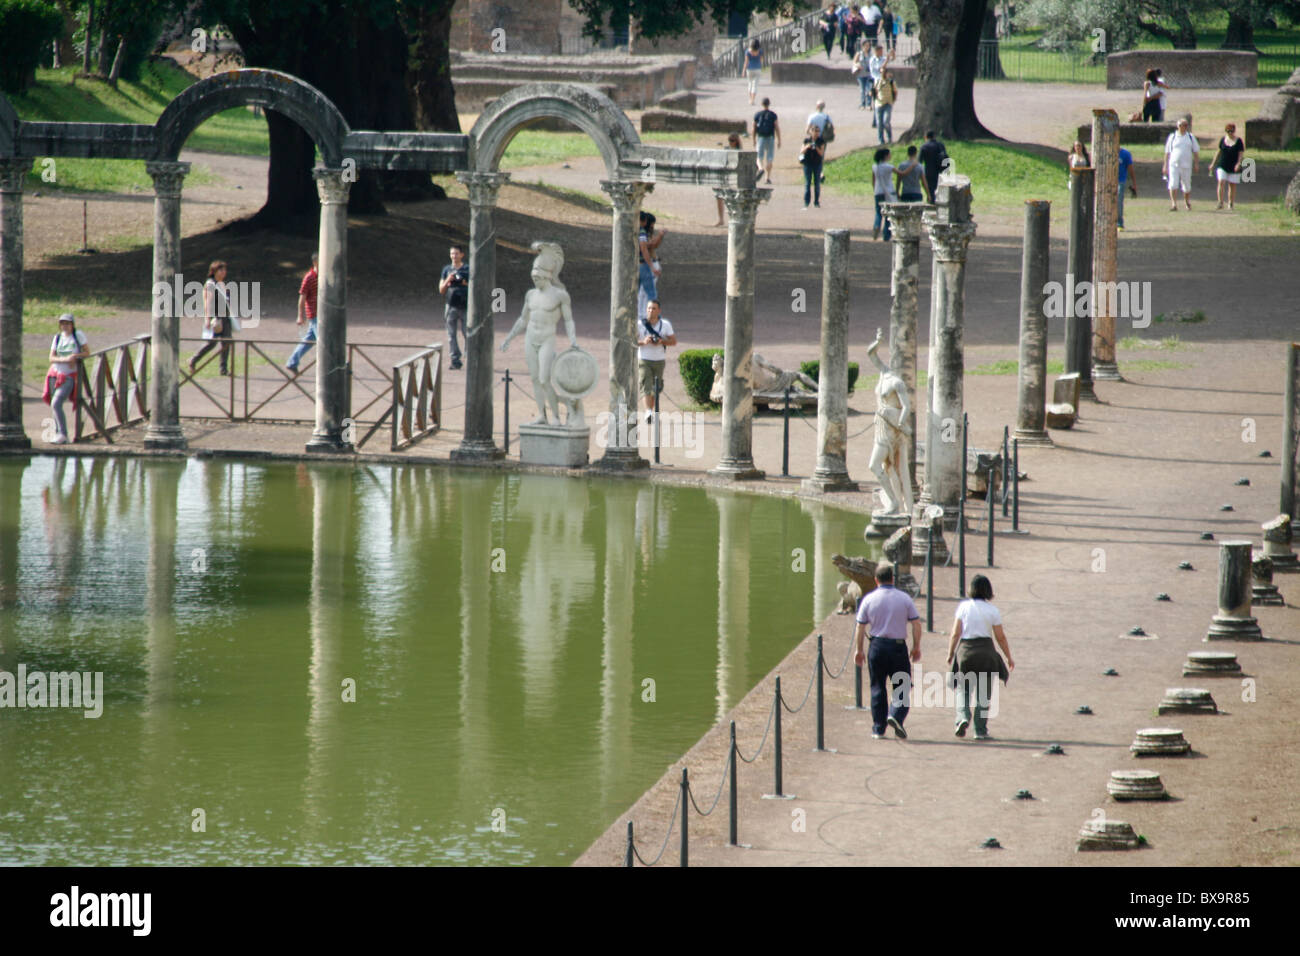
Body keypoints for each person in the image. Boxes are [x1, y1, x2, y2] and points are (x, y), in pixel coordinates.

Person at [499, 241, 576, 425]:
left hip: (547, 338)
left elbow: (568, 320)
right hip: (530, 337)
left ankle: (556, 416)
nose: (535, 281)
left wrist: (573, 340)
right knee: (534, 379)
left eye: (538, 278)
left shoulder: (560, 295)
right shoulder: (531, 295)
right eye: (534, 278)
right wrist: (509, 337)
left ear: (547, 276)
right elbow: (523, 319)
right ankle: (542, 415)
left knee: (544, 379)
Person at [853, 561, 921, 740]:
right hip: (898, 647)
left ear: (876, 580)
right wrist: (916, 646)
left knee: (877, 687)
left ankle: (878, 728)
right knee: (902, 685)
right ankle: (896, 715)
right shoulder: (904, 598)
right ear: (893, 579)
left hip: (876, 646)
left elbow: (860, 628)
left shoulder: (868, 599)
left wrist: (859, 650)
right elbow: (916, 623)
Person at [945, 574, 1013, 740]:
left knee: (963, 689)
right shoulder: (993, 610)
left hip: (966, 652)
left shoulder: (963, 607)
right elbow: (1000, 637)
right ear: (988, 591)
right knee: (984, 694)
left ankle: (962, 717)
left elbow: (955, 633)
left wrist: (950, 652)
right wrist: (1008, 657)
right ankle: (980, 730)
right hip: (986, 652)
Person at [43, 314, 88, 444]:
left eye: (67, 323)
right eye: (62, 323)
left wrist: (75, 356)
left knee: (56, 403)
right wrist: (64, 359)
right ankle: (58, 433)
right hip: (54, 374)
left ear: (72, 324)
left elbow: (87, 352)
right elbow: (51, 358)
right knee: (54, 404)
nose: (65, 326)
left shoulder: (77, 335)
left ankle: (63, 434)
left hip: (69, 376)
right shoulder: (57, 338)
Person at [189, 259, 236, 376]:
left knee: (227, 342)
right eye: (221, 270)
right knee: (211, 343)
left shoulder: (223, 284)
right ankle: (193, 360)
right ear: (214, 271)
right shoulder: (210, 284)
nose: (223, 272)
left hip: (226, 318)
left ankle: (223, 369)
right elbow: (207, 302)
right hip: (216, 318)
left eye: (224, 270)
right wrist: (207, 319)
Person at [636, 299, 677, 421]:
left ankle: (650, 410)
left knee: (656, 388)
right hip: (644, 359)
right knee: (645, 384)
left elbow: (673, 341)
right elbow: (631, 341)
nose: (651, 311)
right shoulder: (639, 324)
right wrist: (643, 342)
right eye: (649, 308)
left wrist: (661, 341)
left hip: (659, 360)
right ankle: (648, 412)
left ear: (659, 310)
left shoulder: (665, 324)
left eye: (654, 308)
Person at [437, 245, 470, 370]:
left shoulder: (467, 269)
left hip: (466, 306)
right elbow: (441, 289)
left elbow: (474, 285)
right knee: (451, 335)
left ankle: (470, 357)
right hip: (451, 305)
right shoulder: (446, 270)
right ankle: (455, 359)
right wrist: (449, 279)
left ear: (462, 255)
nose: (454, 256)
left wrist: (463, 282)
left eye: (456, 253)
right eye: (452, 254)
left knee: (468, 334)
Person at [286, 253, 319, 374]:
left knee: (309, 340)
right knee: (324, 340)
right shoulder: (309, 277)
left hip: (321, 314)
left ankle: (292, 362)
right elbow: (302, 297)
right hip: (315, 314)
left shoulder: (324, 276)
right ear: (315, 262)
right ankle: (336, 363)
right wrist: (300, 315)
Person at [1163, 117, 1199, 211]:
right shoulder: (1172, 137)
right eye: (1183, 125)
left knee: (1186, 186)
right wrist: (1165, 165)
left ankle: (1187, 202)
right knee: (1173, 184)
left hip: (1186, 165)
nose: (1185, 127)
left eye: (1186, 125)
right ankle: (1174, 204)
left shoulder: (1190, 137)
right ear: (1178, 126)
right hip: (1174, 164)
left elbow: (1195, 151)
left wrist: (1196, 164)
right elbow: (1167, 152)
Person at [637, 212, 665, 320]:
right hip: (648, 264)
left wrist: (659, 237)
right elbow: (648, 247)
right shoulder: (643, 233)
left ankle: (643, 315)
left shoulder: (643, 232)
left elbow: (653, 246)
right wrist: (660, 236)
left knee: (643, 292)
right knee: (648, 292)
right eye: (652, 223)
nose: (653, 226)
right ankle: (648, 315)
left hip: (648, 263)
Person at [1210, 122, 1245, 210]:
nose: (1230, 133)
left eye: (1232, 131)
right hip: (1223, 165)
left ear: (1234, 131)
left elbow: (1241, 154)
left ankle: (1231, 203)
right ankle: (1220, 202)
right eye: (1228, 131)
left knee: (1232, 185)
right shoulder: (1223, 140)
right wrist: (1213, 164)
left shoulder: (1239, 141)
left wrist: (1239, 163)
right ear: (1226, 131)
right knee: (1221, 181)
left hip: (1233, 166)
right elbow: (1218, 152)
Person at [715, 133, 743, 226]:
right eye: (729, 140)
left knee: (735, 198)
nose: (730, 142)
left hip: (734, 177)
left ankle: (736, 219)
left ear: (737, 141)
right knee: (719, 195)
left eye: (732, 140)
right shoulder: (726, 150)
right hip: (725, 175)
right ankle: (721, 219)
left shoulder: (740, 151)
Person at [751, 97, 781, 184]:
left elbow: (754, 128)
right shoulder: (773, 115)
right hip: (771, 137)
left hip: (761, 137)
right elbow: (777, 127)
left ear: (762, 104)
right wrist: (779, 140)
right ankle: (767, 178)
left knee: (759, 157)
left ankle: (760, 168)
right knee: (770, 157)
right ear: (769, 104)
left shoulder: (757, 115)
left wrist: (753, 139)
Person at [799, 122, 826, 209]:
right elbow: (801, 151)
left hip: (817, 164)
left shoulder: (821, 141)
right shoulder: (806, 140)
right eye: (814, 131)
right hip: (807, 164)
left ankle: (816, 202)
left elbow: (821, 153)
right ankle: (806, 202)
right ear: (810, 131)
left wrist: (816, 147)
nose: (816, 133)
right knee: (807, 183)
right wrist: (808, 146)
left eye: (818, 131)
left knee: (817, 183)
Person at [871, 147, 896, 240]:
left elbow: (873, 181)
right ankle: (886, 235)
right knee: (888, 214)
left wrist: (875, 190)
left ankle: (876, 226)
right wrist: (913, 166)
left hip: (878, 192)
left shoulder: (875, 166)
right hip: (888, 192)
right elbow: (901, 173)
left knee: (878, 212)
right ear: (886, 156)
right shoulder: (889, 166)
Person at [918, 129, 948, 202]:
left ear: (926, 137)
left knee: (931, 188)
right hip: (941, 170)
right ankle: (940, 201)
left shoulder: (924, 146)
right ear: (934, 136)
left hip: (929, 171)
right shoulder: (941, 145)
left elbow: (920, 161)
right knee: (940, 187)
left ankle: (932, 202)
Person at [873, 66, 898, 143]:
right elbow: (874, 91)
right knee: (879, 124)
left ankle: (889, 137)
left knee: (886, 122)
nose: (883, 74)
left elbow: (895, 92)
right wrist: (873, 96)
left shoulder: (891, 82)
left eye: (884, 72)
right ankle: (881, 140)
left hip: (888, 103)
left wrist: (893, 100)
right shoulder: (877, 81)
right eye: (881, 72)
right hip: (879, 104)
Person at [1117, 145, 1136, 229]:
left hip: (1120, 181)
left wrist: (1134, 183)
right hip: (1108, 181)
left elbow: (1130, 169)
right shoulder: (1107, 152)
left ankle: (1119, 223)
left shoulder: (1125, 154)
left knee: (1119, 201)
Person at [852, 44, 872, 111]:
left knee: (869, 89)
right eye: (866, 46)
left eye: (868, 46)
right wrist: (857, 65)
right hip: (860, 75)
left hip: (868, 74)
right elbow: (854, 62)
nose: (867, 47)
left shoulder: (870, 54)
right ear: (862, 46)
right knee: (862, 90)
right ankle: (862, 104)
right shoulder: (859, 54)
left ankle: (869, 104)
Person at [744, 39, 763, 105]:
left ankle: (750, 99)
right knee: (755, 85)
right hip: (757, 69)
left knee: (750, 84)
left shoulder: (748, 52)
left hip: (749, 69)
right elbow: (761, 61)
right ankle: (752, 100)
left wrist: (743, 71)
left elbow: (746, 62)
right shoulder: (760, 51)